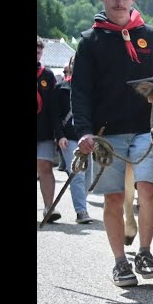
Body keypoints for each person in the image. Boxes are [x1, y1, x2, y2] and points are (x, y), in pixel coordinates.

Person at [72, 0, 153, 287]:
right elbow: (81, 90)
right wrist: (84, 131)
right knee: (115, 198)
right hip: (106, 133)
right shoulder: (90, 41)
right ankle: (120, 262)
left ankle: (144, 252)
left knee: (148, 189)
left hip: (146, 130)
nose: (119, 2)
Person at [54, 55, 94, 224]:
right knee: (77, 175)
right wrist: (59, 135)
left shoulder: (91, 89)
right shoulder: (61, 88)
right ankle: (81, 211)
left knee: (88, 178)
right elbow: (54, 115)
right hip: (68, 138)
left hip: (88, 137)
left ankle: (81, 202)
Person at [37, 37, 67, 224]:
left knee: (45, 167)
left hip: (44, 132)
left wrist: (59, 134)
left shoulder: (47, 75)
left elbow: (54, 109)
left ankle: (49, 208)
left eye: (39, 52)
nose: (37, 54)